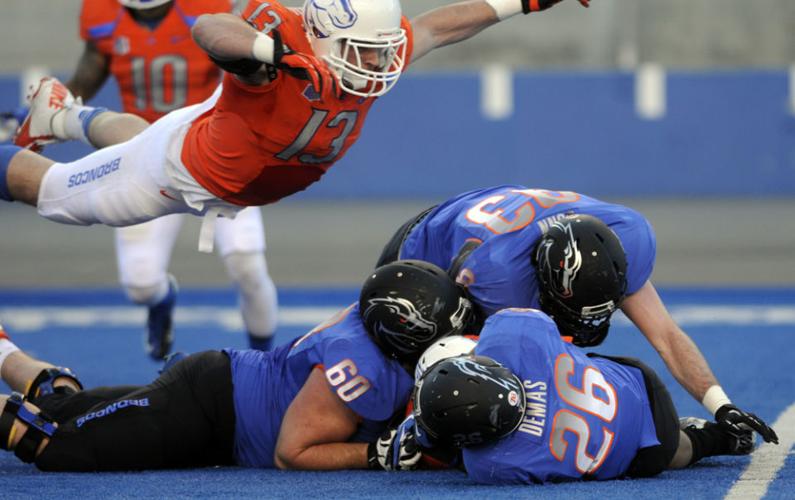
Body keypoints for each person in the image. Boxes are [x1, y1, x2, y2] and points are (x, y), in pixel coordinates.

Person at [0, 0, 591, 244]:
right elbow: (209, 28)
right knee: (54, 196)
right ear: (324, 38)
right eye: (363, 53)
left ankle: (67, 114)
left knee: (144, 135)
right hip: (180, 172)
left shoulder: (370, 51)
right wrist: (274, 56)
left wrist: (525, 1)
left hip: (223, 140)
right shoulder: (283, 57)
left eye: (382, 51)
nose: (379, 66)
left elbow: (438, 27)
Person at [376, 185, 779, 445]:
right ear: (543, 283)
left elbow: (667, 337)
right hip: (429, 247)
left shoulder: (626, 239)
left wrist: (721, 404)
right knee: (437, 383)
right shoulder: (500, 279)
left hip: (499, 236)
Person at [0, 259, 473, 471]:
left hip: (219, 393)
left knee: (58, 410)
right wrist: (377, 455)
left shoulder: (371, 324)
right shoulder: (362, 365)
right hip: (207, 410)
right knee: (54, 446)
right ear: (401, 331)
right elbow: (293, 452)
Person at [18, 0, 280, 358]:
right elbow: (85, 79)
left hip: (213, 152)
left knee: (247, 262)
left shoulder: (204, 10)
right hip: (142, 155)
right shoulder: (105, 16)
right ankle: (162, 301)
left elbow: (248, 72)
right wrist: (34, 112)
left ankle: (265, 361)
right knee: (140, 284)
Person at [407, 308, 775, 483]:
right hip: (637, 380)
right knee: (575, 355)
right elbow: (537, 323)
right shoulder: (513, 336)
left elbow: (446, 446)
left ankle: (714, 440)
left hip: (648, 451)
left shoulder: (495, 465)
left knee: (675, 453)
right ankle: (718, 434)